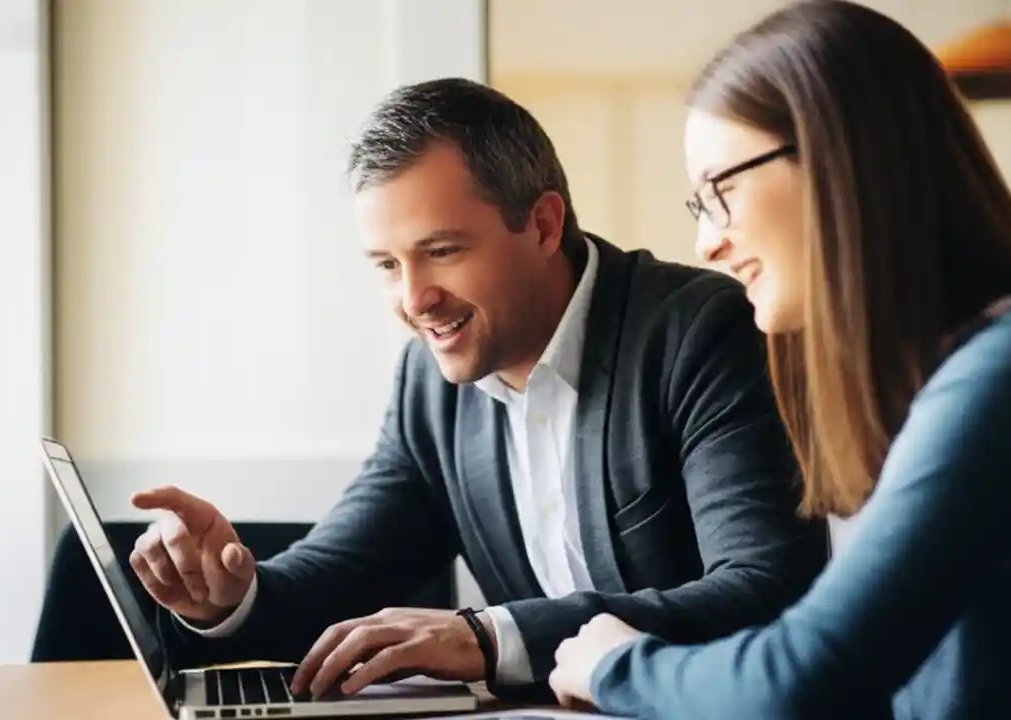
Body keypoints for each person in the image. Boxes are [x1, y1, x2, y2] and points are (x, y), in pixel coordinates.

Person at [547, 2, 1011, 717]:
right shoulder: (946, 379)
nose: (708, 244)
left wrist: (615, 665)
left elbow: (801, 676)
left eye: (720, 192)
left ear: (835, 160)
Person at [127, 77, 828, 700]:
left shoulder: (703, 331)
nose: (414, 299)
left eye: (441, 251)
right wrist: (231, 594)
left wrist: (493, 638)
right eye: (386, 264)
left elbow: (763, 589)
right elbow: (342, 570)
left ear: (544, 225)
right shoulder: (429, 384)